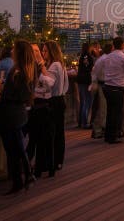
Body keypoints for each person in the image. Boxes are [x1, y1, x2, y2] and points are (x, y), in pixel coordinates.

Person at [0, 40, 35, 194]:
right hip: (18, 114)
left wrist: (4, 93)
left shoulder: (18, 71)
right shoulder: (26, 70)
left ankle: (23, 177)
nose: (11, 51)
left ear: (18, 52)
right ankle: (24, 177)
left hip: (10, 114)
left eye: (14, 49)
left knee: (13, 148)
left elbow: (19, 94)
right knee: (17, 147)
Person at [26, 43, 56, 178]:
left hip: (42, 107)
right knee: (34, 139)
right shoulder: (29, 68)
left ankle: (36, 168)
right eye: (35, 51)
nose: (38, 53)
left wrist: (41, 65)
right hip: (35, 107)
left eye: (38, 51)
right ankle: (30, 167)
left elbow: (49, 84)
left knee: (36, 139)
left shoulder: (42, 67)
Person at [100, 37, 124, 144]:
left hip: (107, 87)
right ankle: (114, 136)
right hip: (118, 88)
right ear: (123, 45)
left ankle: (108, 135)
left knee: (110, 112)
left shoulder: (107, 57)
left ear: (114, 45)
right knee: (117, 113)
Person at [43, 41, 68, 172]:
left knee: (54, 133)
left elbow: (48, 83)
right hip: (60, 100)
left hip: (54, 101)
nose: (43, 53)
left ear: (52, 52)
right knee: (58, 132)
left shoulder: (54, 65)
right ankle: (57, 161)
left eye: (45, 51)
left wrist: (41, 68)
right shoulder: (60, 65)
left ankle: (53, 161)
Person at [90, 43, 110, 139]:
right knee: (101, 109)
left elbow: (94, 73)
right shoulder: (105, 60)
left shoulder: (101, 59)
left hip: (101, 84)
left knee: (101, 108)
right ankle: (98, 130)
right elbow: (96, 73)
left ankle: (98, 130)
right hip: (103, 85)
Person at [77, 43, 94, 128]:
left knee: (82, 101)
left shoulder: (82, 56)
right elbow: (87, 67)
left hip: (80, 80)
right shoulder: (87, 56)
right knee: (87, 101)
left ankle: (80, 122)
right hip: (86, 81)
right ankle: (85, 122)